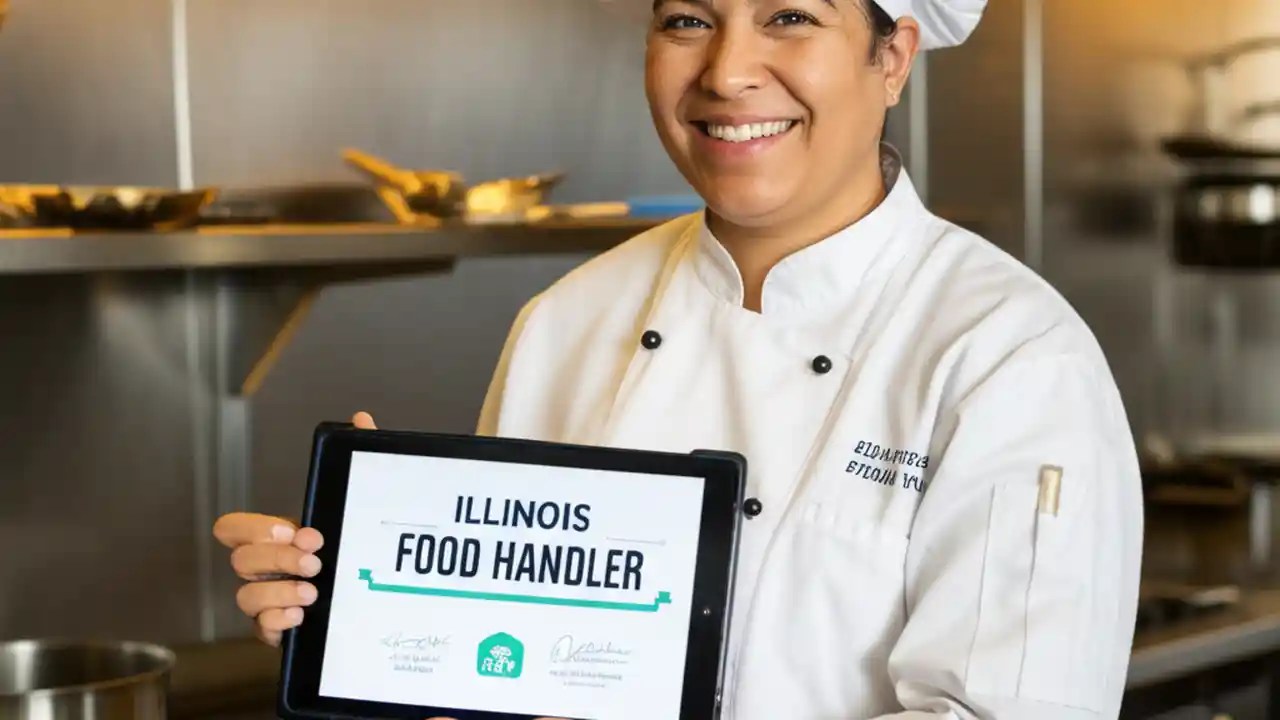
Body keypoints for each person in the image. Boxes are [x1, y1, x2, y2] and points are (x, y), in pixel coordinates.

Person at [213, 0, 1144, 717]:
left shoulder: (1008, 357)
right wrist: (369, 611)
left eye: (789, 16)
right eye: (688, 20)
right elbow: (506, 673)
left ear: (892, 57)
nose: (729, 72)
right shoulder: (568, 321)